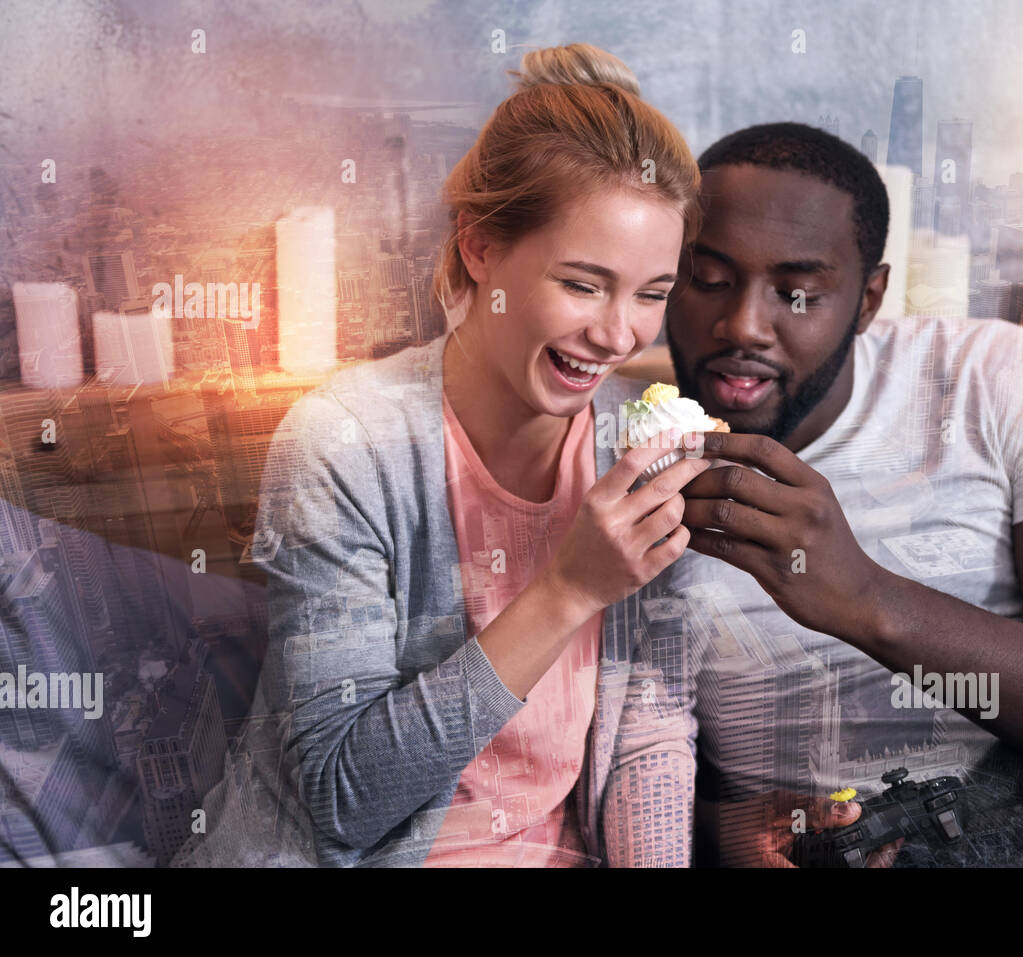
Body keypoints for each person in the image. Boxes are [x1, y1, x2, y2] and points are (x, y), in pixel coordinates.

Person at [176, 43, 708, 868]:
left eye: (651, 294)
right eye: (582, 283)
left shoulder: (636, 445)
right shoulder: (345, 443)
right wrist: (569, 589)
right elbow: (345, 799)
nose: (619, 334)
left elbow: (650, 734)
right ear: (480, 248)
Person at [654, 122, 1023, 867]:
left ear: (869, 300)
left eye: (798, 294)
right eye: (706, 279)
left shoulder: (1010, 382)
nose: (742, 324)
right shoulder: (607, 457)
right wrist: (731, 833)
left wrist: (870, 599)